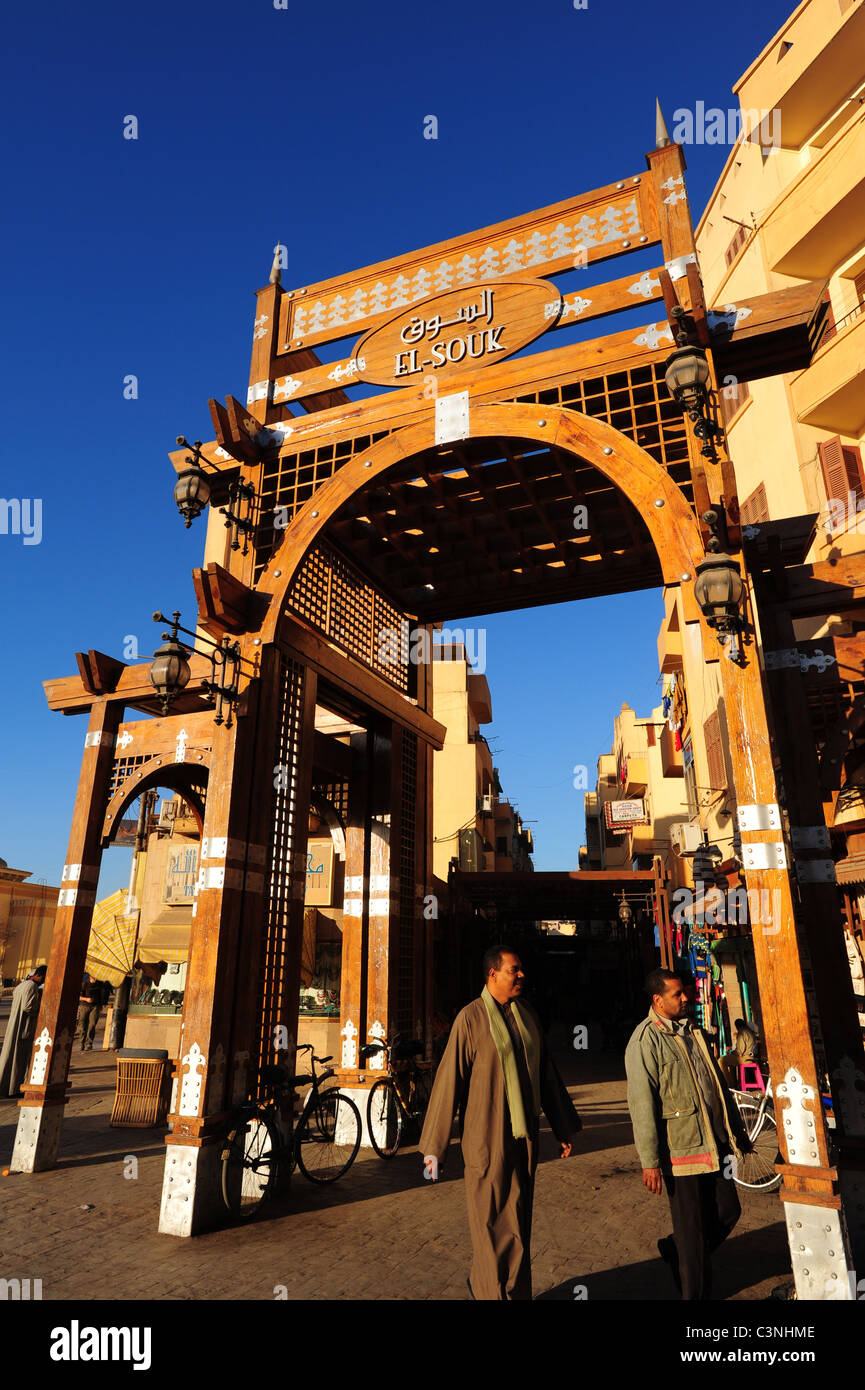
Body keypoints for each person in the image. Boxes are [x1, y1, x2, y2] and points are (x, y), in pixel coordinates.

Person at [419, 944, 582, 1300]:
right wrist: (435, 1147)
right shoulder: (471, 1019)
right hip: (485, 1137)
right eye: (514, 970)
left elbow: (547, 1075)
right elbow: (449, 1081)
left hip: (523, 1137)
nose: (521, 975)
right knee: (490, 1220)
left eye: (521, 970)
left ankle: (513, 1291)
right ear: (493, 974)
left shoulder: (526, 1015)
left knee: (518, 1218)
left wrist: (562, 1126)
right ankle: (491, 1292)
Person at [625, 968, 751, 1300]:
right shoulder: (644, 1041)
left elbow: (718, 1087)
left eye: (685, 993)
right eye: (677, 995)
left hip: (715, 1142)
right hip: (681, 1151)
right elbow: (641, 1104)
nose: (686, 999)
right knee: (692, 1233)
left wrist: (736, 1130)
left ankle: (675, 1249)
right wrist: (649, 1160)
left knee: (728, 1210)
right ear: (657, 1000)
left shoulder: (693, 1031)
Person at [0, 965, 47, 1097]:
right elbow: (29, 1007)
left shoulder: (21, 985)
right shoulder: (32, 986)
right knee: (18, 1061)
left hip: (16, 1025)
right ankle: (13, 1090)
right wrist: (40, 1008)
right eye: (43, 978)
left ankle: (6, 1087)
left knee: (10, 1057)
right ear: (39, 975)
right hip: (23, 1027)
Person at [77, 973, 108, 1051]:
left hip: (95, 1007)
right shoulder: (84, 984)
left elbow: (103, 995)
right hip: (84, 1006)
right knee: (82, 1025)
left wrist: (101, 1005)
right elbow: (79, 997)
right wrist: (86, 999)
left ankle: (89, 1044)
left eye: (96, 978)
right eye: (94, 977)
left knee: (92, 1025)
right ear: (90, 977)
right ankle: (81, 1043)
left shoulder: (100, 985)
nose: (95, 979)